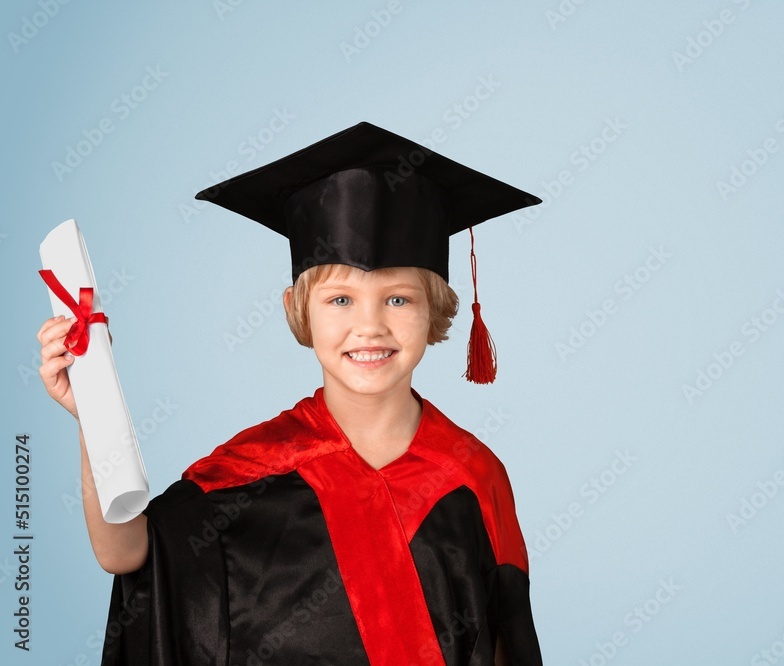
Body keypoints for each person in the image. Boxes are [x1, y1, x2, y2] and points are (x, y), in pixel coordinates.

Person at [37, 121, 544, 665]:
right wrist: (93, 413)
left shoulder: (473, 474)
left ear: (436, 311)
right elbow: (128, 551)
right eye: (340, 301)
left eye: (398, 300)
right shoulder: (251, 471)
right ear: (297, 310)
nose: (369, 327)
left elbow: (502, 644)